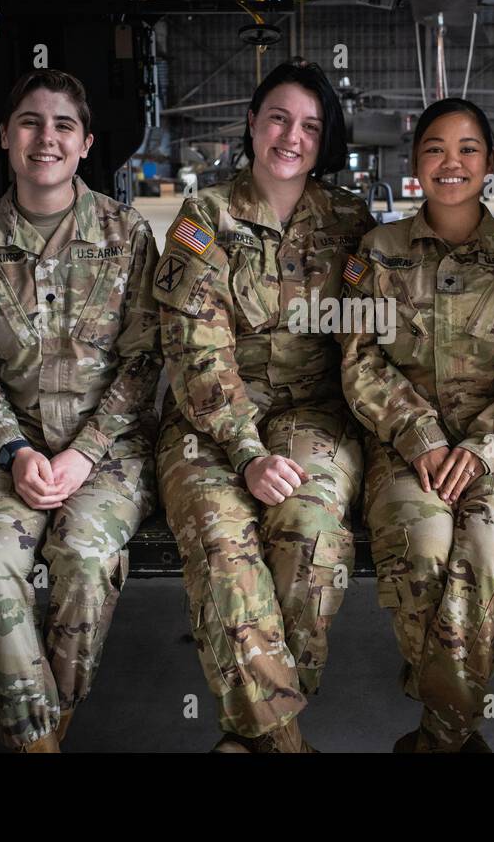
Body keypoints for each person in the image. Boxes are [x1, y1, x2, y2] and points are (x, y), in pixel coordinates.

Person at [152, 60, 374, 752]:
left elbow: (371, 335)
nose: (291, 136)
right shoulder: (204, 218)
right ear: (251, 122)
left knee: (312, 538)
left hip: (315, 415)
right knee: (223, 546)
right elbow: (197, 351)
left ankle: (248, 735)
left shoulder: (348, 221)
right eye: (278, 117)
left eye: (310, 125)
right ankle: (280, 740)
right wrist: (247, 454)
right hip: (210, 422)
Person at [0, 69, 160, 752]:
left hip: (108, 453)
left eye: (63, 125)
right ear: (6, 136)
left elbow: (144, 363)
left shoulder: (126, 237)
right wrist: (18, 451)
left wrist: (83, 452)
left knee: (84, 558)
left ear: (86, 142)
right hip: (15, 451)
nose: (46, 138)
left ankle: (50, 722)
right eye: (31, 122)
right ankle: (37, 742)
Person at [340, 98, 494, 752]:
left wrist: (483, 447)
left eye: (467, 149)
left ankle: (441, 733)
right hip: (407, 454)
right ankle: (458, 733)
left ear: (490, 163)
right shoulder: (378, 251)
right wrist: (421, 437)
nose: (450, 162)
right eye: (434, 148)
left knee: (487, 553)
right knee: (424, 554)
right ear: (414, 164)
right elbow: (360, 359)